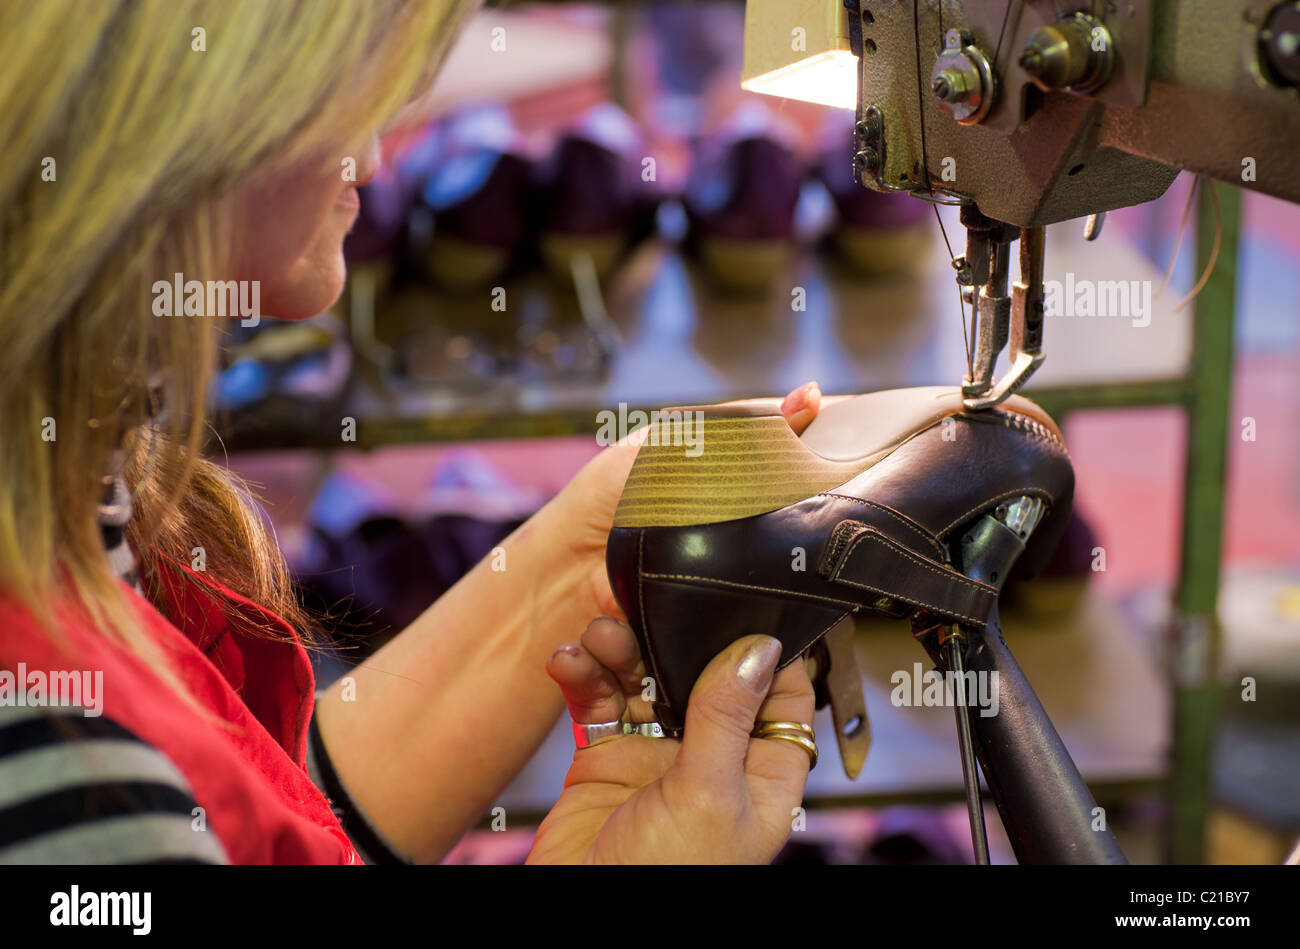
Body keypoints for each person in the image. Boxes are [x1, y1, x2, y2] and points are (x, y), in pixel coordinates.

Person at [0, 0, 825, 864]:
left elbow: (256, 811)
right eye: (360, 69)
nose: (385, 132)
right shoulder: (67, 759)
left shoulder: (73, 511)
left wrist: (588, 554)